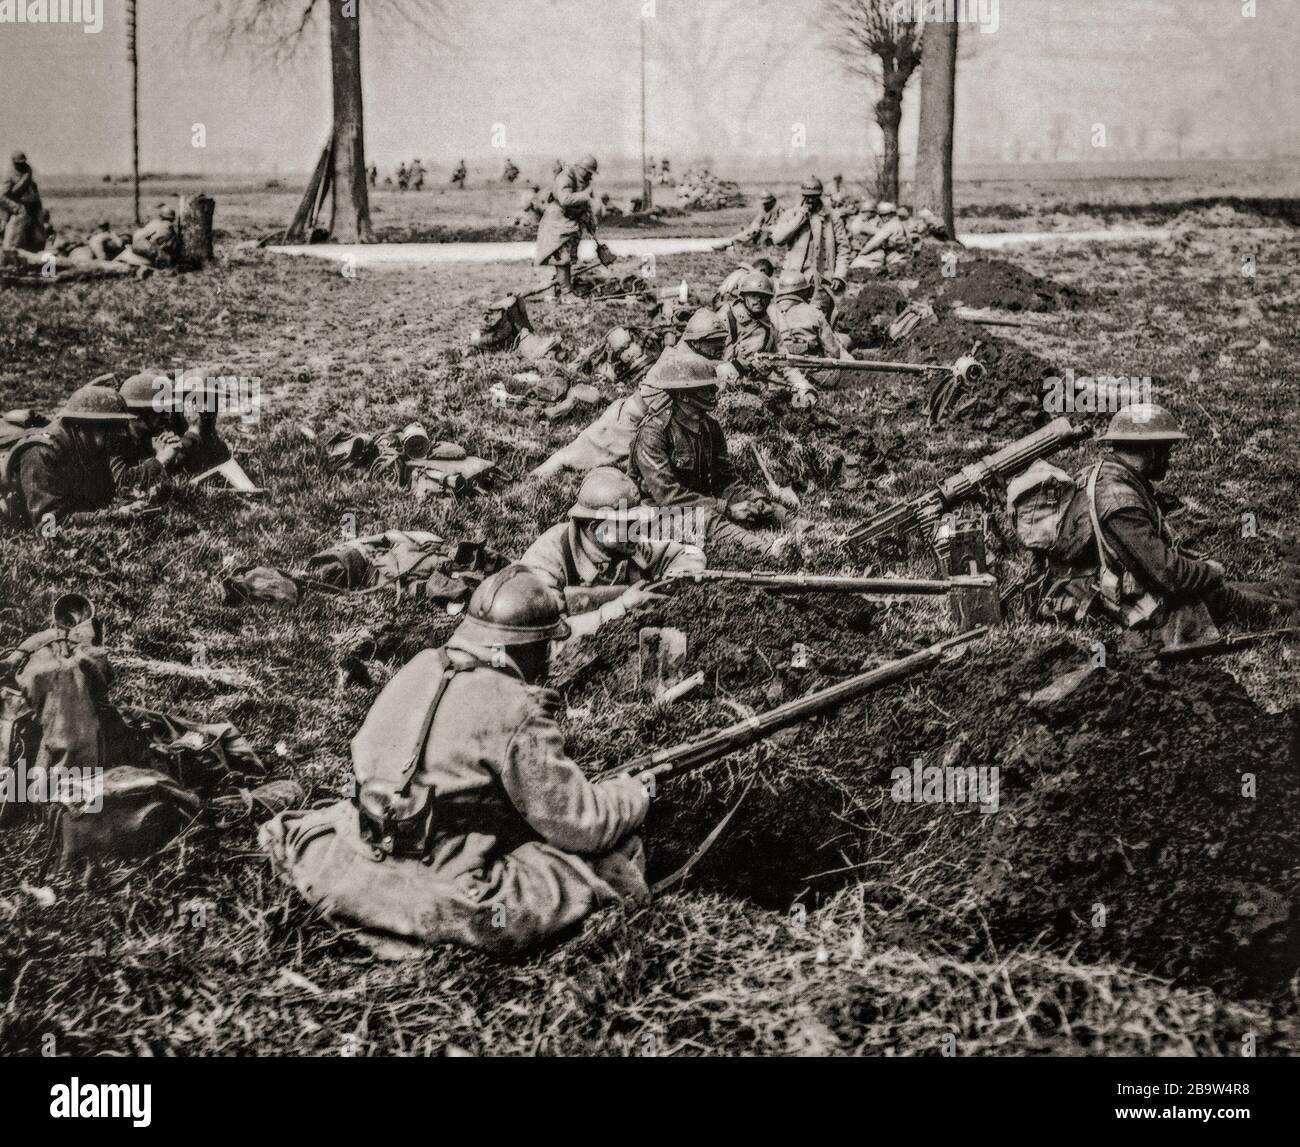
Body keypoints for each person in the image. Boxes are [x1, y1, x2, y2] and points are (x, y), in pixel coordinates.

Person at [260, 565, 651, 957]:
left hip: (350, 860)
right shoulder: (517, 706)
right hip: (447, 891)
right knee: (600, 866)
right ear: (529, 648)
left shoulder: (420, 665)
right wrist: (634, 793)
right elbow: (585, 826)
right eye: (546, 646)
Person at [1040, 404, 1294, 652]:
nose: (1170, 458)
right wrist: (1210, 571)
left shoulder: (1108, 475)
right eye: (1167, 449)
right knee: (1224, 597)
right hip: (1124, 602)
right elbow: (1168, 574)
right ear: (1150, 450)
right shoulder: (1120, 503)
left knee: (1245, 589)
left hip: (1114, 583)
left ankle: (1283, 591)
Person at [521, 468, 705, 637]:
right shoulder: (546, 561)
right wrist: (622, 607)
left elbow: (687, 553)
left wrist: (681, 573)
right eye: (628, 524)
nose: (638, 531)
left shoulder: (626, 543)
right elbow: (546, 638)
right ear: (596, 528)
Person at [628, 356, 778, 554]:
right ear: (683, 396)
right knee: (706, 519)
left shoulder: (710, 427)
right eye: (705, 388)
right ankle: (767, 551)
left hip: (698, 502)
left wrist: (755, 499)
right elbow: (668, 496)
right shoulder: (653, 433)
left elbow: (726, 480)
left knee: (764, 507)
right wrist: (727, 508)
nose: (714, 392)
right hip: (656, 515)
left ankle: (802, 527)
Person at [1, 384, 148, 531]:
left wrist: (125, 507)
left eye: (117, 428)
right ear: (82, 426)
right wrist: (111, 516)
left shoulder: (92, 449)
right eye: (108, 427)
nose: (117, 435)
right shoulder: (41, 452)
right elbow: (48, 526)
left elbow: (103, 499)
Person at [111, 370, 229, 488]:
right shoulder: (115, 439)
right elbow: (123, 483)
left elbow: (218, 458)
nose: (166, 416)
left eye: (212, 402)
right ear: (138, 414)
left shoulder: (151, 434)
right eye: (160, 411)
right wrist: (160, 460)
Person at [770, 175, 849, 324]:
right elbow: (778, 239)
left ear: (820, 196)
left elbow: (843, 249)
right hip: (795, 277)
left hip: (823, 278)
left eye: (814, 197)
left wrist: (839, 275)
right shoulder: (792, 214)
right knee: (791, 317)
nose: (810, 200)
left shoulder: (832, 217)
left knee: (821, 321)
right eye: (807, 197)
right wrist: (799, 218)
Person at [768, 270, 852, 397]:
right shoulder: (813, 311)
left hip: (779, 374)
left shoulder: (768, 312)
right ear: (804, 291)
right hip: (813, 374)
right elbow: (833, 351)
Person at [535, 153, 599, 298]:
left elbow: (586, 206)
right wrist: (585, 195)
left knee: (568, 256)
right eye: (588, 173)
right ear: (580, 168)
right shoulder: (566, 176)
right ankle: (566, 293)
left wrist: (590, 224)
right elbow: (565, 199)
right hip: (558, 222)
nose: (590, 177)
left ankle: (559, 288)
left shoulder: (583, 181)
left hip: (569, 223)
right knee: (562, 257)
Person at [1, 151, 45, 253]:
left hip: (33, 209)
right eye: (19, 163)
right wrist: (15, 207)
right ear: (14, 163)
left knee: (37, 239)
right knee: (13, 242)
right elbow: (1, 196)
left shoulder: (28, 172)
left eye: (23, 162)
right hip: (18, 210)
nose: (22, 165)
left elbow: (33, 189)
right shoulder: (9, 175)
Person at [852, 201, 911, 275]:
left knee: (865, 261)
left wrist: (862, 253)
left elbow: (875, 241)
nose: (881, 218)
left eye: (882, 215)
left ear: (888, 215)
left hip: (895, 257)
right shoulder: (899, 223)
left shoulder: (889, 225)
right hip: (904, 256)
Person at [715, 190, 780, 249]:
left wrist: (763, 228)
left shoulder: (779, 212)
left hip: (772, 237)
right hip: (761, 234)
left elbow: (779, 229)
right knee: (749, 232)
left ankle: (729, 244)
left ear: (773, 201)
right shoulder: (764, 211)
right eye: (764, 204)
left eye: (767, 203)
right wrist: (755, 228)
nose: (765, 206)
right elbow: (755, 224)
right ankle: (729, 243)